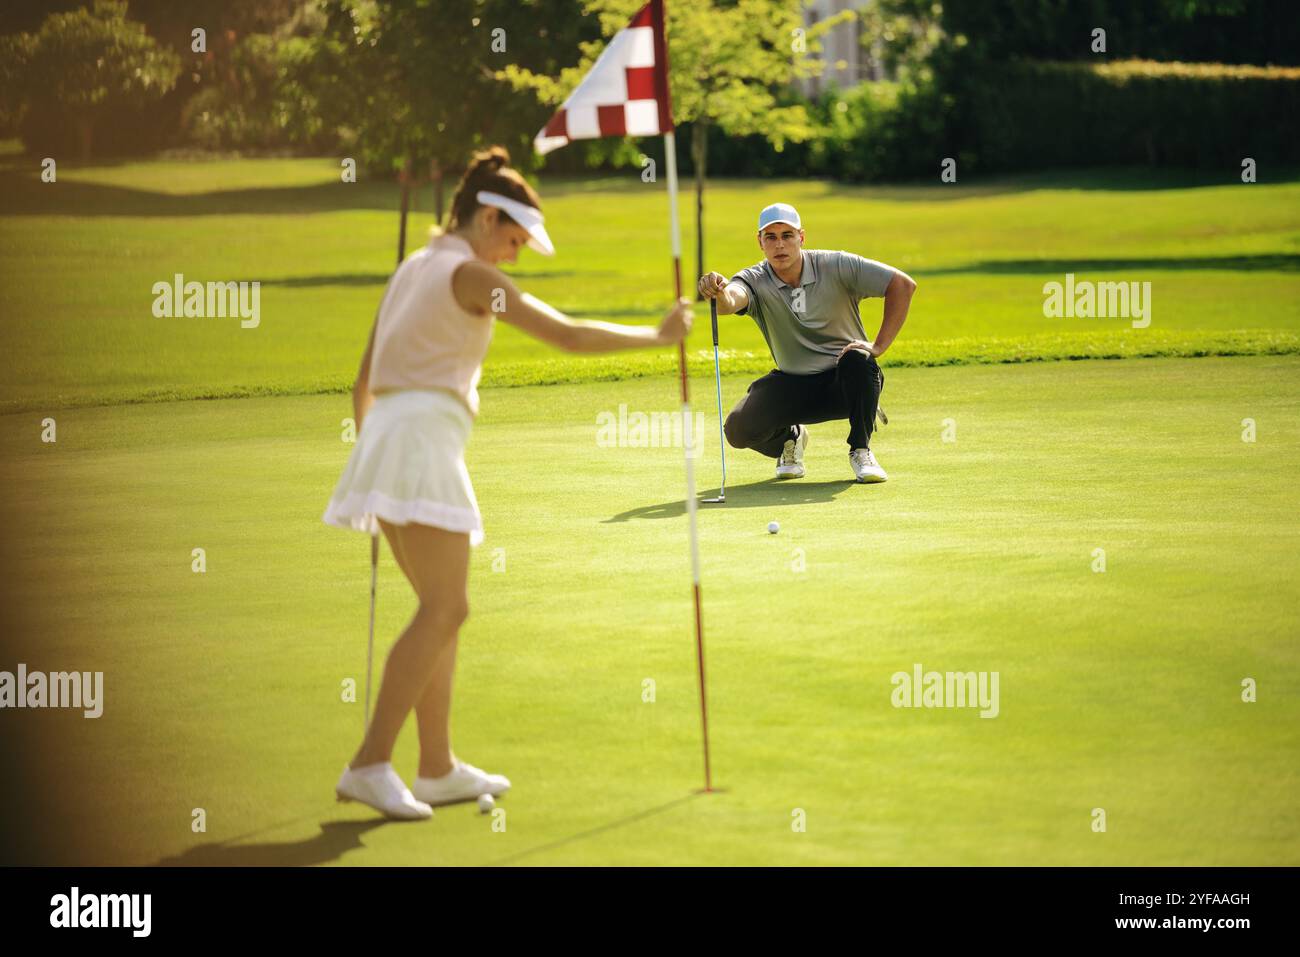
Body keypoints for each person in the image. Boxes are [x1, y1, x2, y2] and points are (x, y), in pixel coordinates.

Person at [323, 146, 693, 819]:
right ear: (488, 216)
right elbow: (568, 336)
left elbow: (363, 378)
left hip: (392, 440)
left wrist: (373, 474)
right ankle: (370, 761)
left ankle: (435, 767)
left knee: (442, 610)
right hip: (421, 442)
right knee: (446, 609)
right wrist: (658, 336)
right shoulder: (469, 274)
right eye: (515, 239)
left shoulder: (413, 266)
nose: (515, 256)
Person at [698, 202, 916, 483]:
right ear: (760, 242)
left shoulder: (835, 264)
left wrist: (878, 346)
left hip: (846, 384)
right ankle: (791, 439)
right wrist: (718, 291)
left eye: (787, 235)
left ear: (801, 237)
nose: (780, 245)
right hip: (793, 387)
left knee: (859, 359)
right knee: (737, 430)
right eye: (771, 237)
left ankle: (861, 450)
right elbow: (730, 302)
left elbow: (902, 284)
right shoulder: (754, 278)